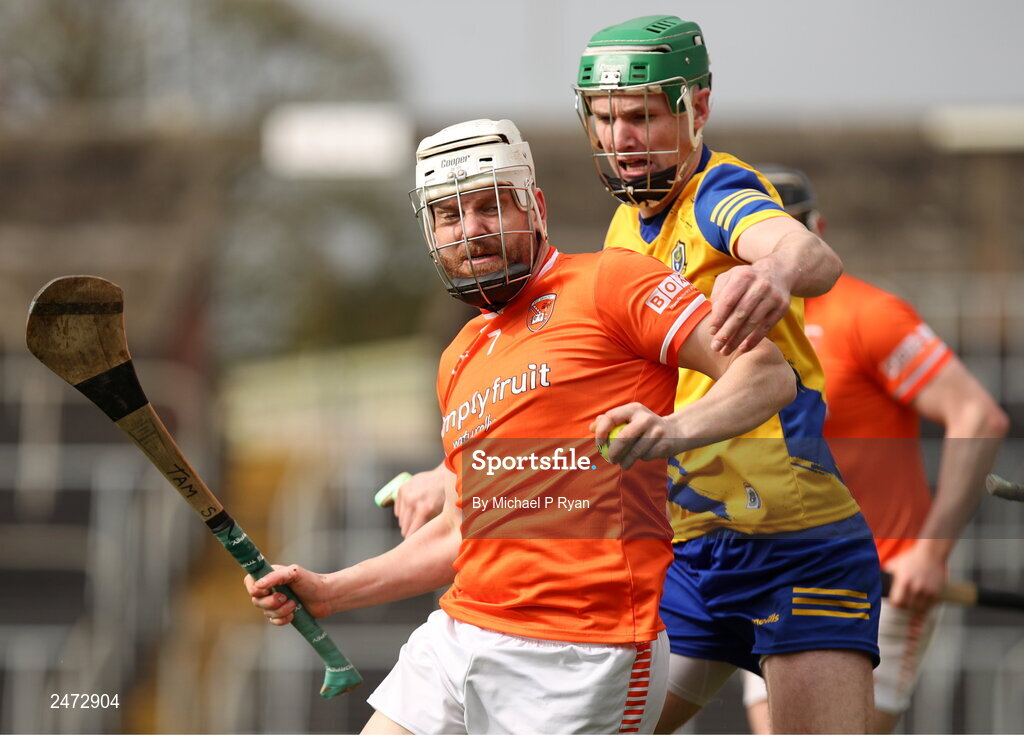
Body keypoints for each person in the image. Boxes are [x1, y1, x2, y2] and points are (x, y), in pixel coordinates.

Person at [244, 118, 798, 734]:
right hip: (459, 634)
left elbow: (768, 375)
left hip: (583, 651)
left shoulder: (612, 282)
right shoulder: (459, 356)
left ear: (533, 205)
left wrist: (672, 431)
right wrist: (330, 591)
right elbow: (459, 528)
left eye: (489, 207)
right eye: (450, 217)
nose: (472, 231)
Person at [572, 15, 882, 734]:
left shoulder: (720, 194)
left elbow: (810, 255)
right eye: (606, 118)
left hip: (794, 550)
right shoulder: (623, 231)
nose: (621, 138)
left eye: (643, 115)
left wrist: (773, 270)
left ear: (697, 108)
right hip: (691, 555)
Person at [739, 165, 1009, 734]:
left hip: (878, 575)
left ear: (818, 233)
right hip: (771, 572)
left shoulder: (869, 315)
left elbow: (978, 416)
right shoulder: (727, 326)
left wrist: (931, 552)